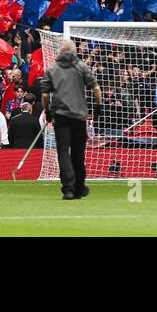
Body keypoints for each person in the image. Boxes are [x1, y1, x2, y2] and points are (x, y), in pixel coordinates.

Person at [36, 38, 101, 200]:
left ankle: (68, 188)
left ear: (60, 52)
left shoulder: (52, 69)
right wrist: (98, 106)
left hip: (61, 116)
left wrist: (47, 110)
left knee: (63, 151)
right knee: (78, 152)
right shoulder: (81, 67)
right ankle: (79, 186)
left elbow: (45, 94)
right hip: (79, 116)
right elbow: (96, 88)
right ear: (74, 52)